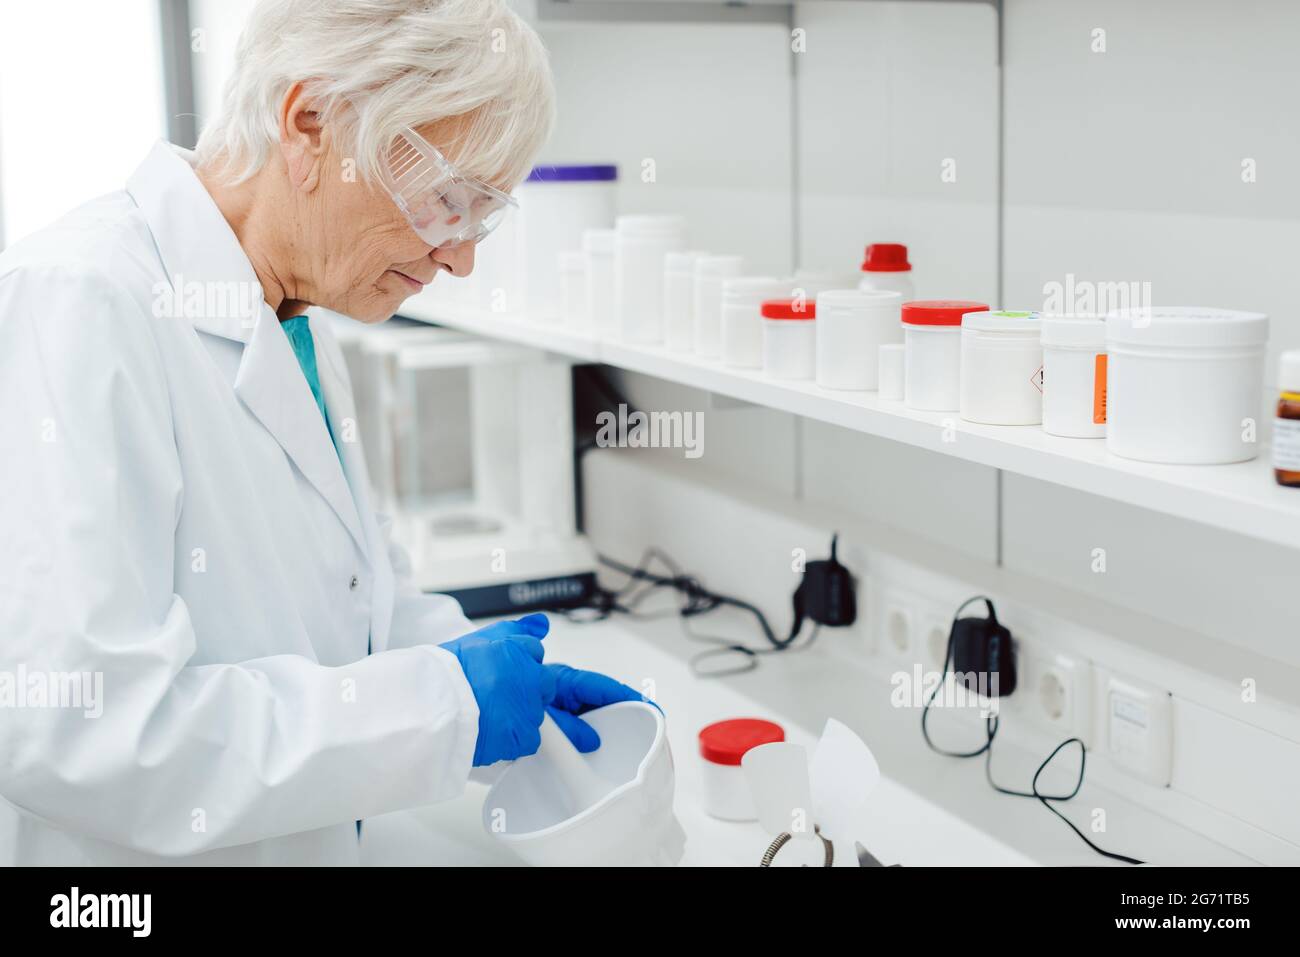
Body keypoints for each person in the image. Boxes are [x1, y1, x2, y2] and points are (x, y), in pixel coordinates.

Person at [0, 0, 641, 866]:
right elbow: (82, 731)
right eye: (451, 199)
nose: (462, 257)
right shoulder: (79, 300)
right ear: (311, 122)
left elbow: (349, 603)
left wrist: (456, 656)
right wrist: (447, 706)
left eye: (482, 216)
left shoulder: (297, 318)